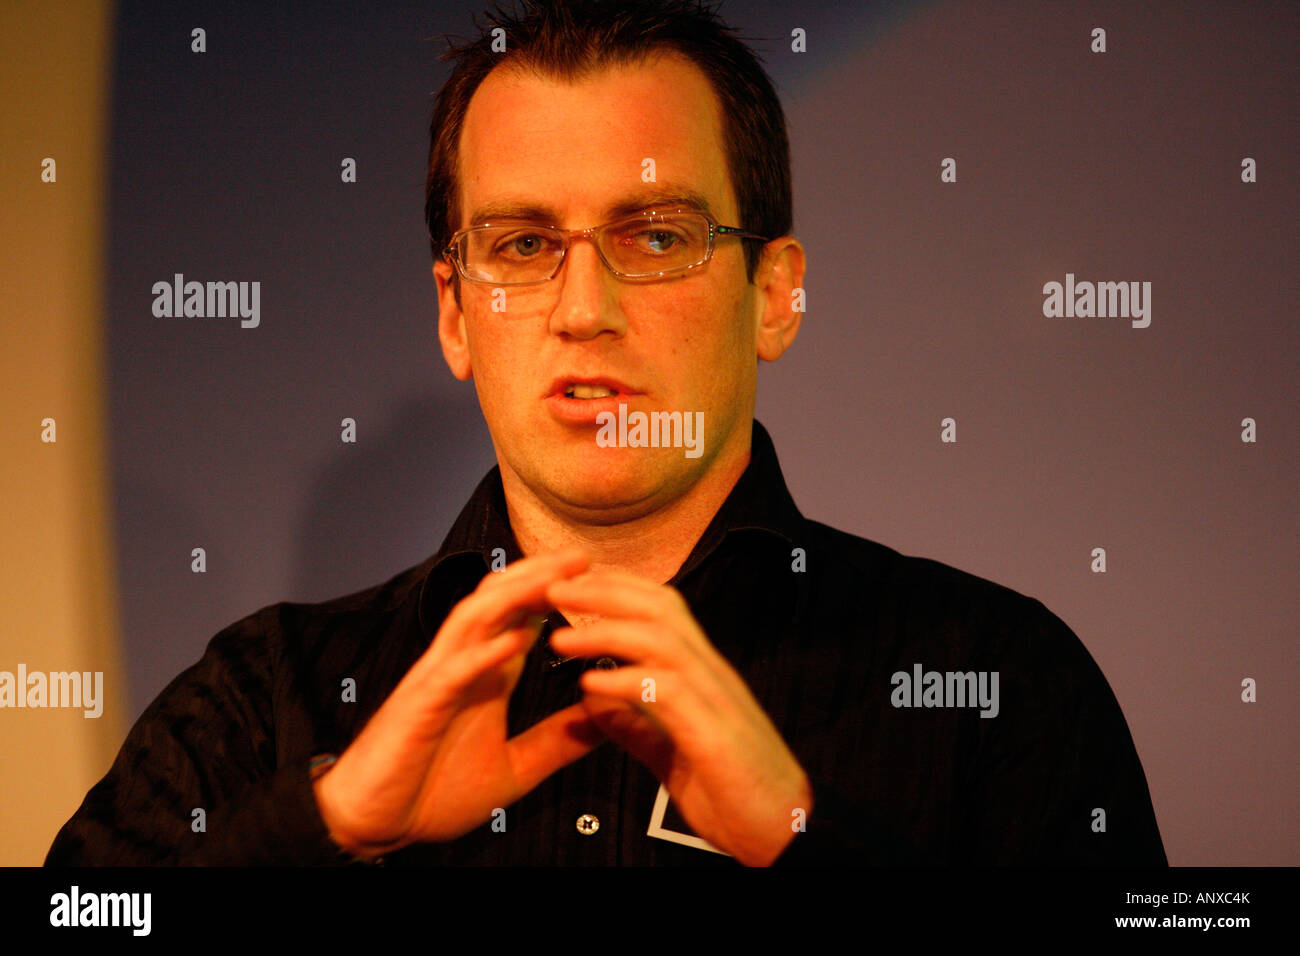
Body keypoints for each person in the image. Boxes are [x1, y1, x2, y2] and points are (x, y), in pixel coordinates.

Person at [47, 0, 1166, 867]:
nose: (584, 308)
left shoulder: (996, 679)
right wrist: (325, 828)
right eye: (523, 246)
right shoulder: (264, 697)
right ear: (455, 315)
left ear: (775, 295)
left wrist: (803, 843)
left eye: (657, 236)